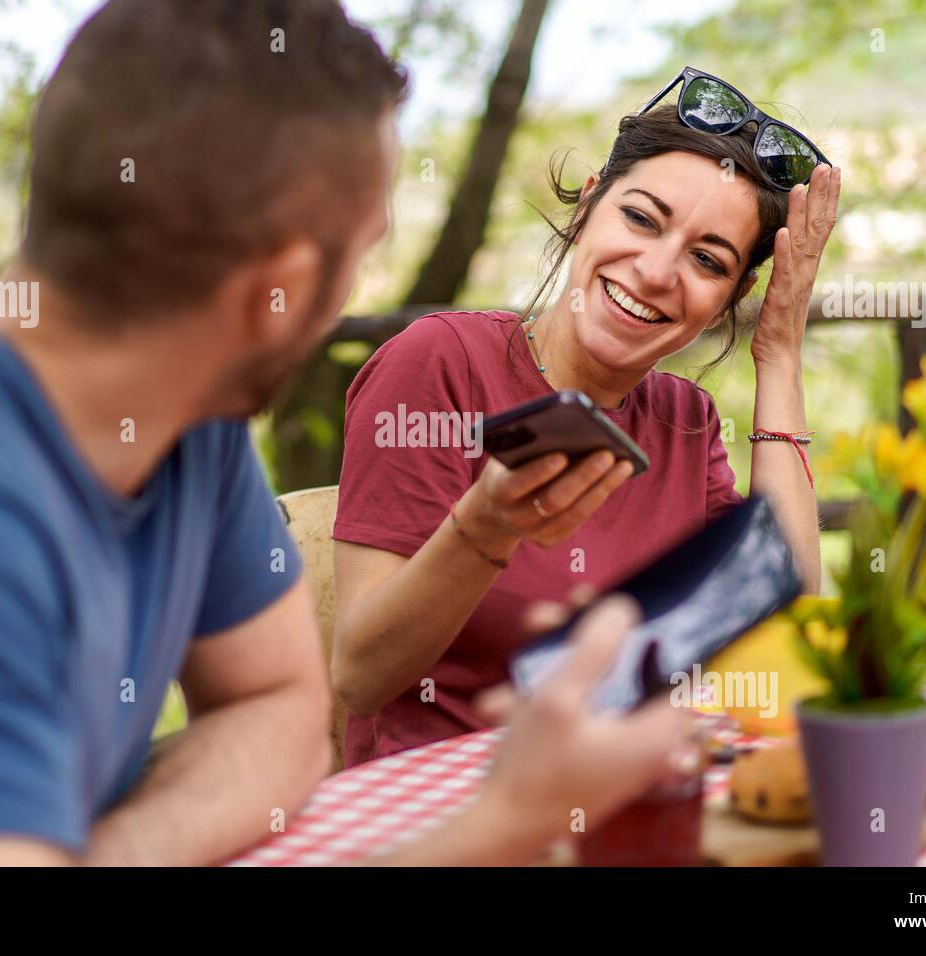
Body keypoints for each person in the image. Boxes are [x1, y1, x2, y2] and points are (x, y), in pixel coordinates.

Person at [0, 0, 687, 867]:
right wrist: (510, 821)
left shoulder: (181, 405)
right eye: (362, 254)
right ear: (273, 292)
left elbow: (281, 711)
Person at [331, 76, 842, 766]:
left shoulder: (687, 421)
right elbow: (361, 678)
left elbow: (784, 614)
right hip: (445, 816)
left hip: (617, 801)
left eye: (706, 260)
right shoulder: (440, 365)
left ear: (731, 298)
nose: (658, 270)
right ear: (589, 205)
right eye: (641, 218)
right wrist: (488, 525)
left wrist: (778, 353)